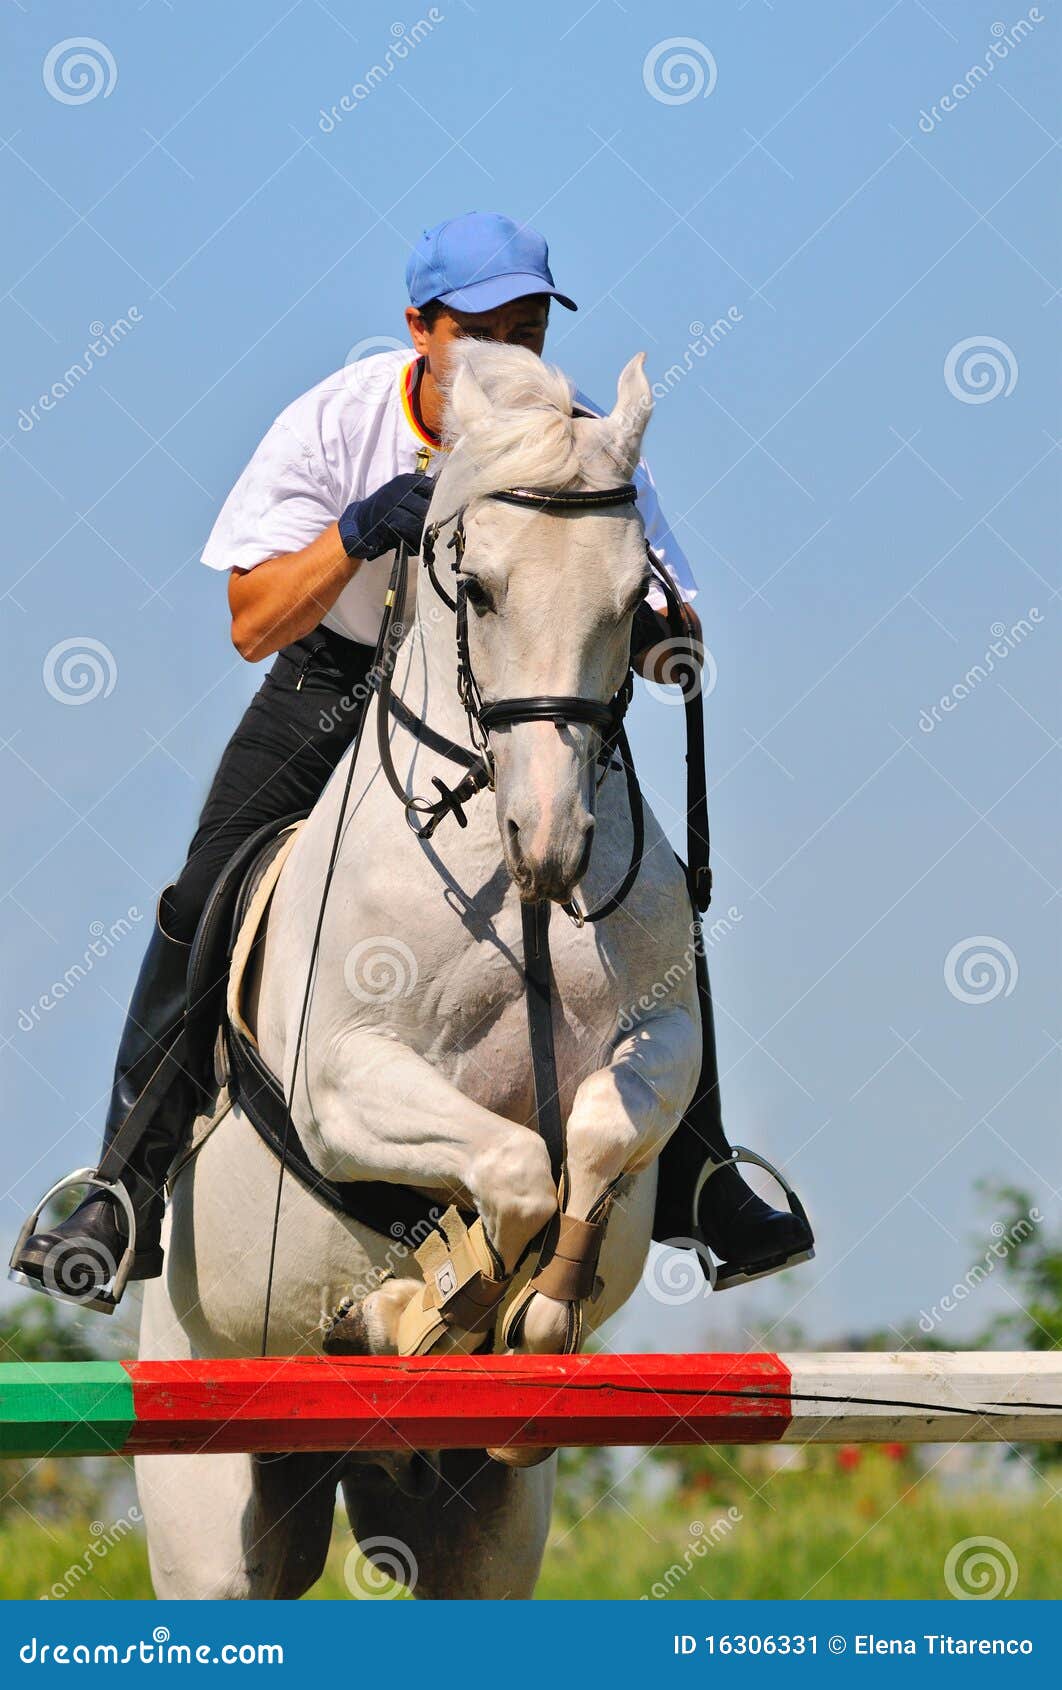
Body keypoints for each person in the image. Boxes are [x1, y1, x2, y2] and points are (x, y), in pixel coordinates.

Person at [11, 211, 812, 1313]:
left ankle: (704, 1175)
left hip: (520, 695)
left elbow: (671, 622)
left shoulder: (583, 437)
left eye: (526, 330)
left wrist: (654, 620)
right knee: (201, 892)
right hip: (334, 679)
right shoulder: (335, 420)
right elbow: (250, 622)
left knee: (656, 893)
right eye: (479, 331)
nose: (506, 354)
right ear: (418, 329)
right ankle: (125, 1185)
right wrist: (355, 533)